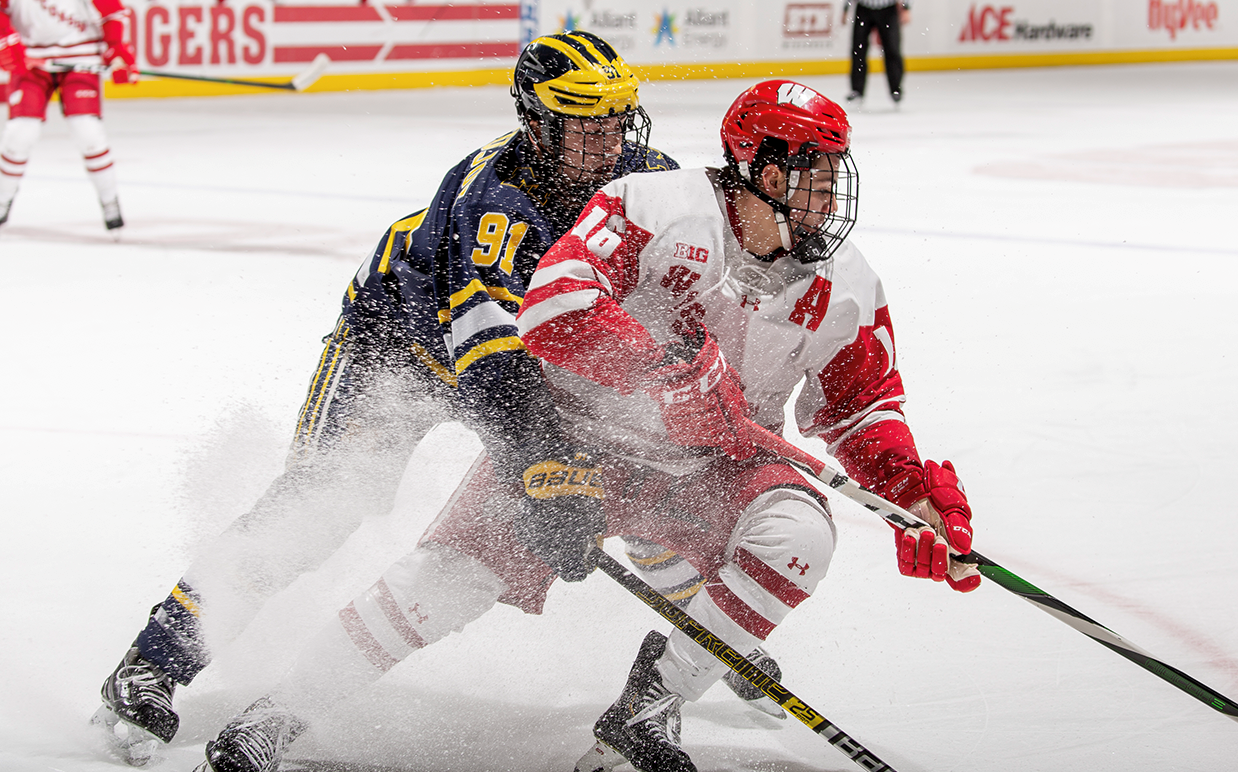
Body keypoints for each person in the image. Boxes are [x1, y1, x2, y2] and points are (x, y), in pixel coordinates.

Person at [187, 79, 979, 772]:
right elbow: (555, 305)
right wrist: (663, 374)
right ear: (767, 173)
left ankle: (647, 709)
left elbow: (865, 408)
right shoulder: (652, 205)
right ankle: (277, 714)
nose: (831, 201)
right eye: (817, 180)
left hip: (712, 471)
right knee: (443, 585)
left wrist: (913, 497)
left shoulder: (849, 287)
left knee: (800, 532)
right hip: (575, 445)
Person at [91, 31, 771, 768]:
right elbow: (493, 365)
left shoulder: (648, 180)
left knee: (634, 469)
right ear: (535, 121)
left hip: (526, 357)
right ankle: (152, 663)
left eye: (614, 121)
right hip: (398, 348)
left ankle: (710, 631)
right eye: (583, 123)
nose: (604, 142)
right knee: (320, 505)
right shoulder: (493, 202)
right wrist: (546, 464)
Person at [0, 0, 136, 239]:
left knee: (87, 131)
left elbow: (111, 11)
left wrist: (116, 50)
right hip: (30, 59)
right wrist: (1, 35)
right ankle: (1, 204)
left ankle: (110, 202)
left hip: (80, 57)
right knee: (20, 133)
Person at [842, 0, 910, 106]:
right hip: (864, 8)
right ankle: (857, 90)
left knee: (892, 48)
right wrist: (845, 8)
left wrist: (906, 7)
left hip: (888, 8)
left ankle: (895, 89)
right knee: (858, 49)